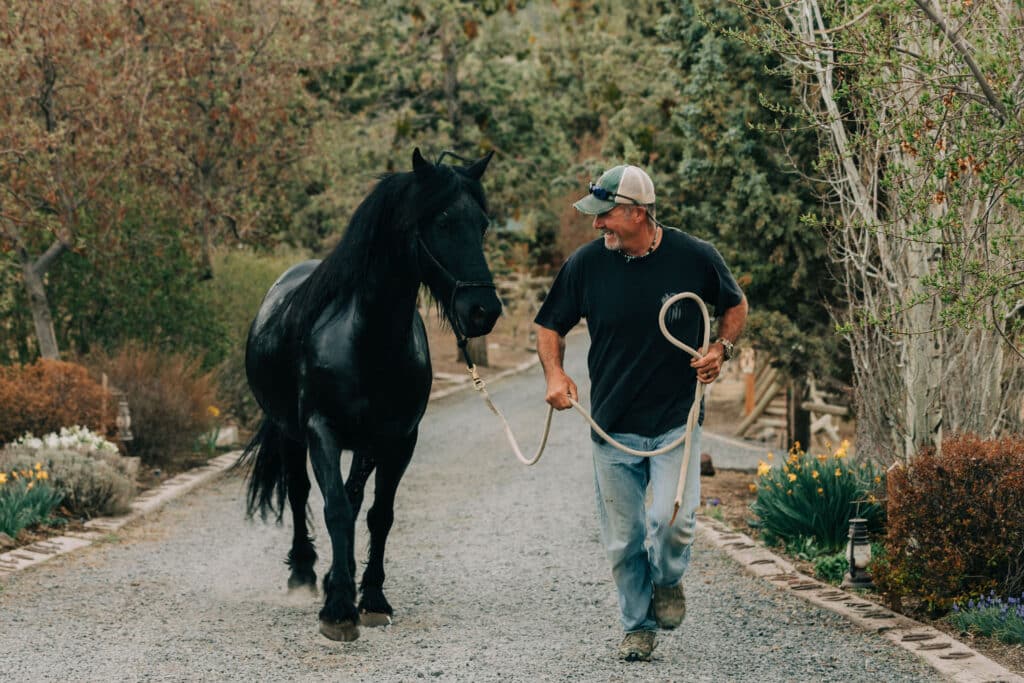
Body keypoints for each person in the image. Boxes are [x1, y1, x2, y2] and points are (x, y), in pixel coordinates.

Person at [533, 164, 747, 662]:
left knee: (674, 524)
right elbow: (549, 326)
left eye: (605, 215)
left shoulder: (695, 258)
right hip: (610, 424)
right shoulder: (586, 266)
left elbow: (735, 306)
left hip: (676, 421)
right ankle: (637, 626)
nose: (596, 225)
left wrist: (722, 348)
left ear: (637, 212)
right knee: (623, 539)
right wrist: (553, 375)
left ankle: (668, 580)